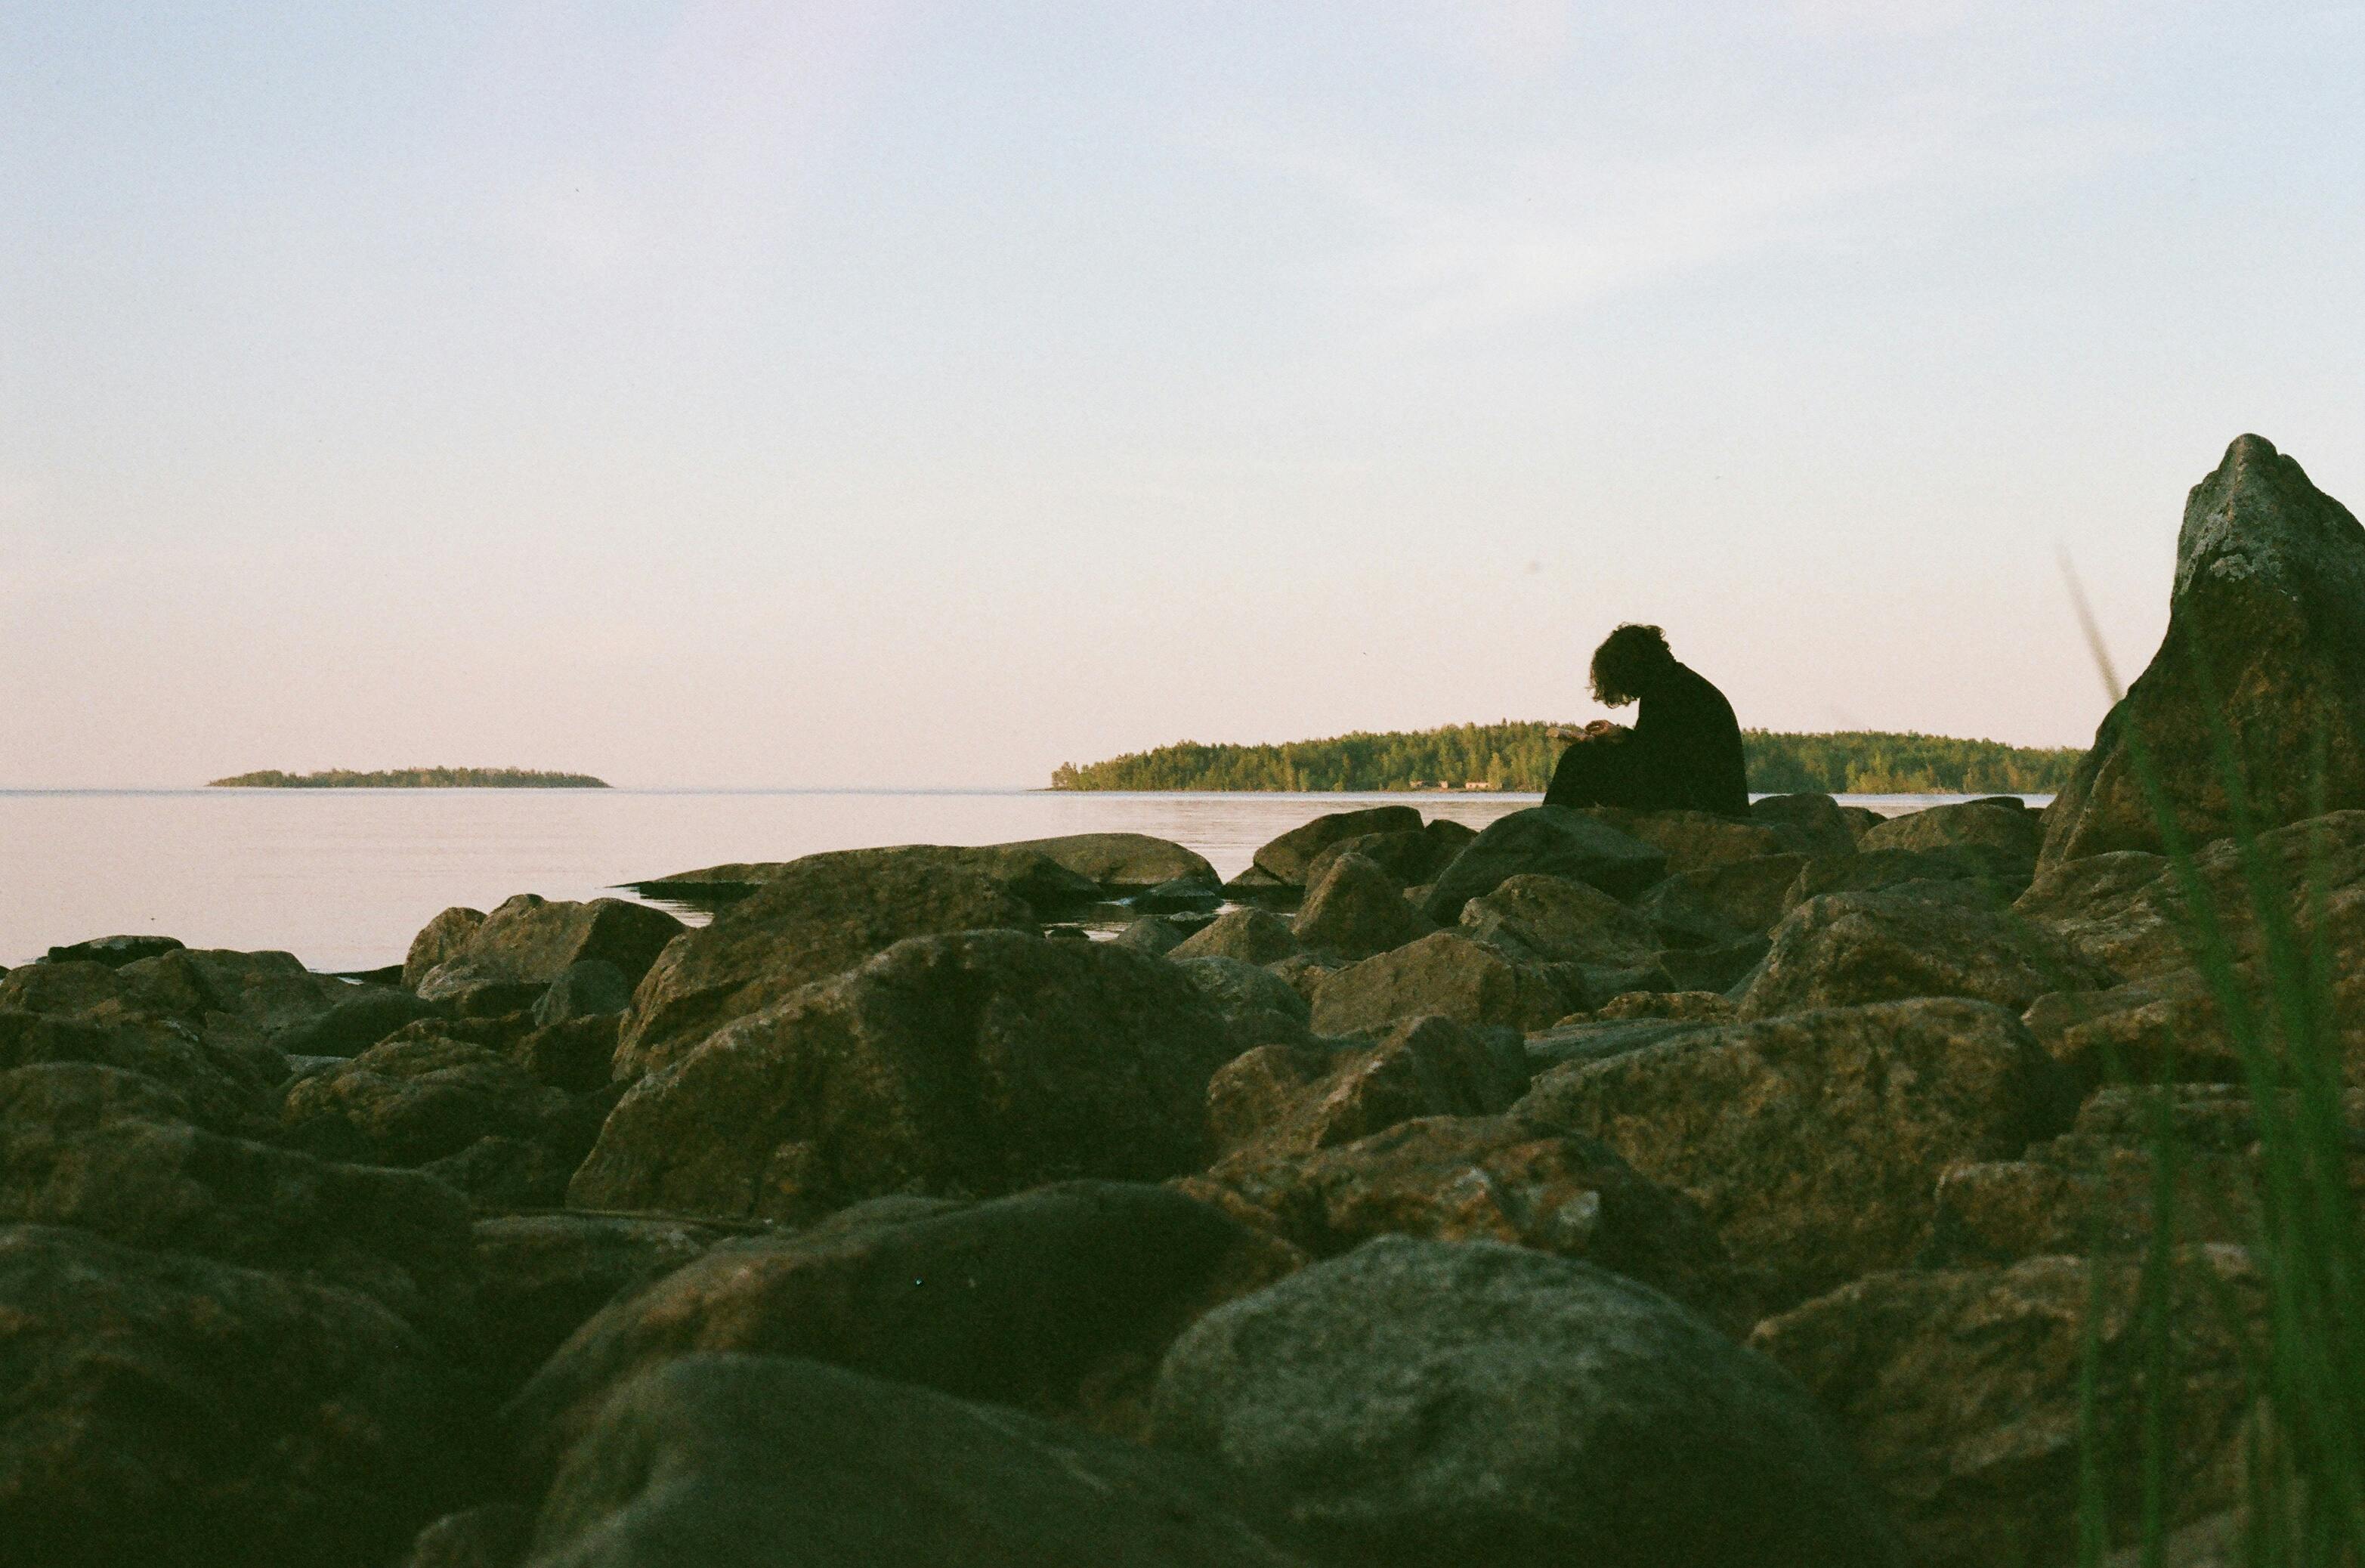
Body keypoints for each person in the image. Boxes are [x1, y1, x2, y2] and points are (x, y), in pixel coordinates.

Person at [1543, 623, 1748, 817]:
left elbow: (1652, 763)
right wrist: (1621, 735)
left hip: (1700, 802)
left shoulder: (1667, 692)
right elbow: (1661, 749)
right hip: (1714, 799)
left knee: (1579, 760)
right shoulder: (1680, 683)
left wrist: (1598, 745)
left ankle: (1550, 828)